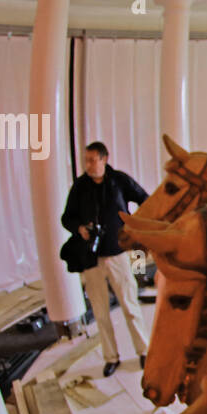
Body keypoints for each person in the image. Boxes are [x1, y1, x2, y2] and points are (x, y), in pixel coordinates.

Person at [61, 141, 152, 378]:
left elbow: (145, 198)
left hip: (118, 253)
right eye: (86, 160)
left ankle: (144, 351)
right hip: (91, 259)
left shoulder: (119, 181)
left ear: (104, 159)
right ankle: (111, 357)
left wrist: (135, 225)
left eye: (92, 160)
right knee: (100, 312)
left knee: (130, 305)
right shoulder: (80, 187)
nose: (88, 165)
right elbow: (66, 218)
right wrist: (79, 228)